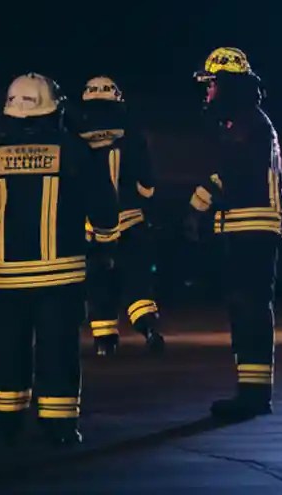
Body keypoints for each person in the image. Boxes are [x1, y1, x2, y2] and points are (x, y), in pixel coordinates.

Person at [0, 73, 119, 447]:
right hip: (62, 277)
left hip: (8, 278)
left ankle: (8, 420)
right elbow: (104, 207)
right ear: (53, 109)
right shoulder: (75, 150)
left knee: (7, 349)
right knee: (58, 350)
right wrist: (105, 248)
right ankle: (59, 425)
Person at [185, 47, 282, 422]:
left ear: (226, 86)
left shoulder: (246, 124)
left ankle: (254, 397)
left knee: (250, 310)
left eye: (211, 85)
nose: (207, 93)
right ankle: (251, 392)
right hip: (248, 228)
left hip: (252, 230)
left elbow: (230, 174)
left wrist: (197, 206)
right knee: (245, 310)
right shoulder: (244, 121)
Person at [74, 76, 164, 356]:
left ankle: (104, 341)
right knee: (137, 279)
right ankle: (148, 328)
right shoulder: (131, 131)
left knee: (100, 282)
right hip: (130, 220)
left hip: (91, 226)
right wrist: (146, 204)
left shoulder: (74, 134)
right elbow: (146, 180)